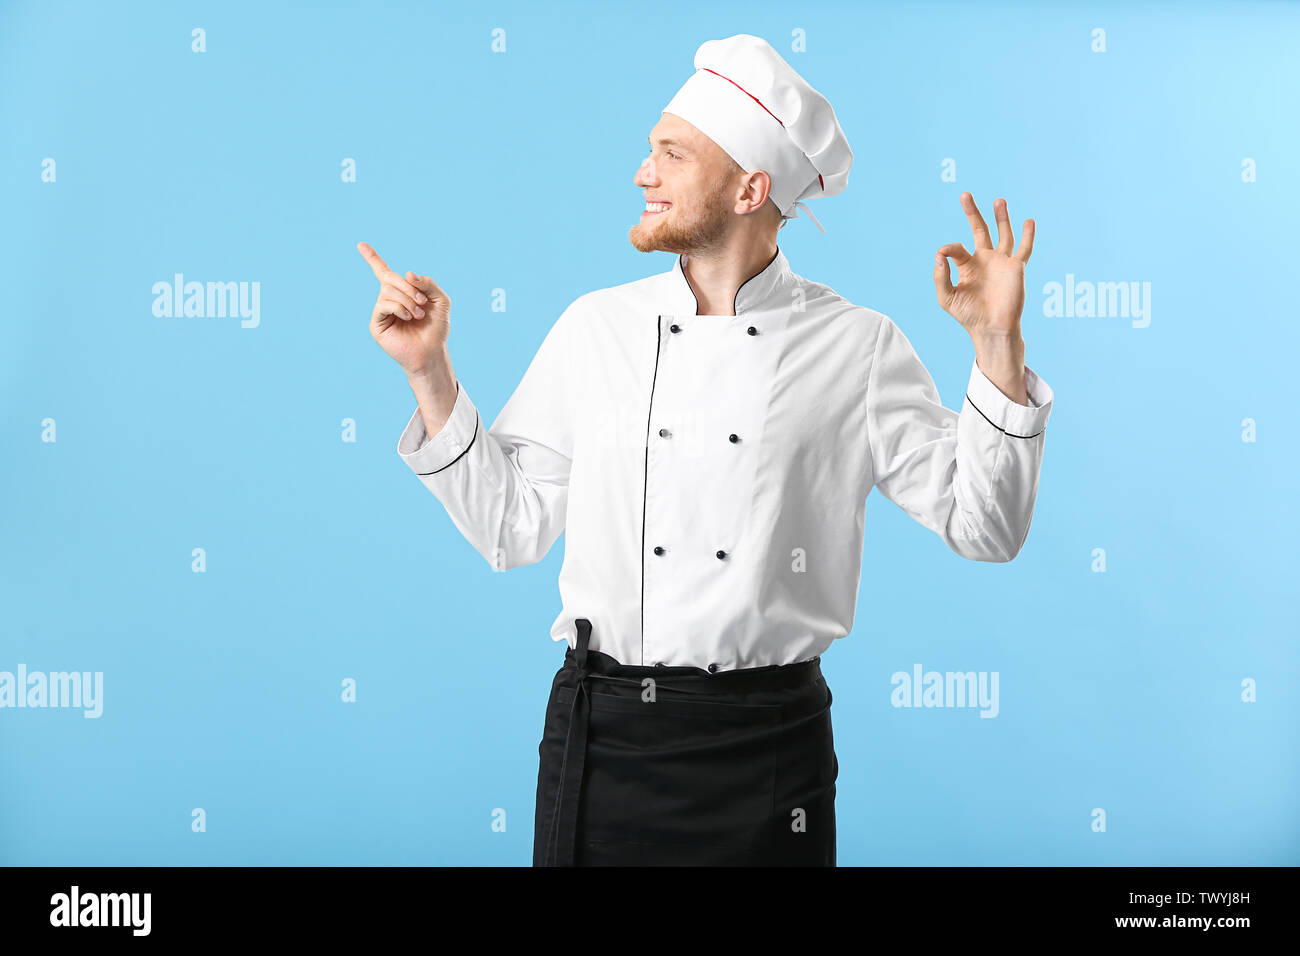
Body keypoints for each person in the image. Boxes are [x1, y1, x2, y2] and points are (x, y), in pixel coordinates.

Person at [359, 34, 1054, 866]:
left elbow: (987, 527)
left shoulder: (857, 346)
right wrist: (429, 371)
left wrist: (997, 344)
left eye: (670, 154)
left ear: (749, 188)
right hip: (605, 735)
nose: (642, 174)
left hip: (771, 744)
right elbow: (509, 528)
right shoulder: (597, 327)